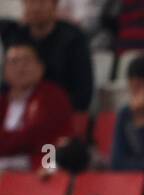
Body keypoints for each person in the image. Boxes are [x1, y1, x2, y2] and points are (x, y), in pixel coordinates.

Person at [0, 0, 95, 112]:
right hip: (16, 108)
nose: (35, 8)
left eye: (42, 2)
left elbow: (82, 94)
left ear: (55, 5)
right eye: (30, 2)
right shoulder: (15, 34)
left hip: (57, 111)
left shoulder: (72, 39)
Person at [0, 38, 73, 170]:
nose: (21, 67)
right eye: (14, 62)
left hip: (45, 161)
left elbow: (33, 137)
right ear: (5, 71)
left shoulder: (52, 96)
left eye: (27, 60)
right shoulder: (3, 101)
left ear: (40, 68)